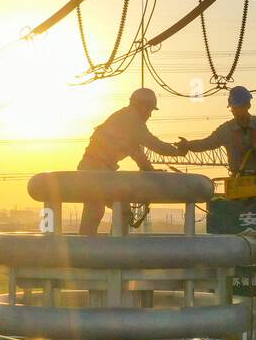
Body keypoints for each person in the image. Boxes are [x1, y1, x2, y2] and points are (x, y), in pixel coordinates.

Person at [77, 87, 182, 235]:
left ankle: (114, 245)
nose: (150, 114)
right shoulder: (131, 119)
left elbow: (137, 154)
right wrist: (177, 151)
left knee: (123, 209)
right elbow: (154, 143)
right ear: (142, 106)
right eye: (150, 110)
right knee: (95, 209)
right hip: (96, 169)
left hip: (99, 169)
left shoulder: (125, 120)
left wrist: (150, 171)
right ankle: (87, 246)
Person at [175, 86, 256, 177]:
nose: (235, 111)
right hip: (237, 181)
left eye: (238, 107)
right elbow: (207, 143)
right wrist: (188, 145)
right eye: (233, 108)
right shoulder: (227, 129)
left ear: (248, 105)